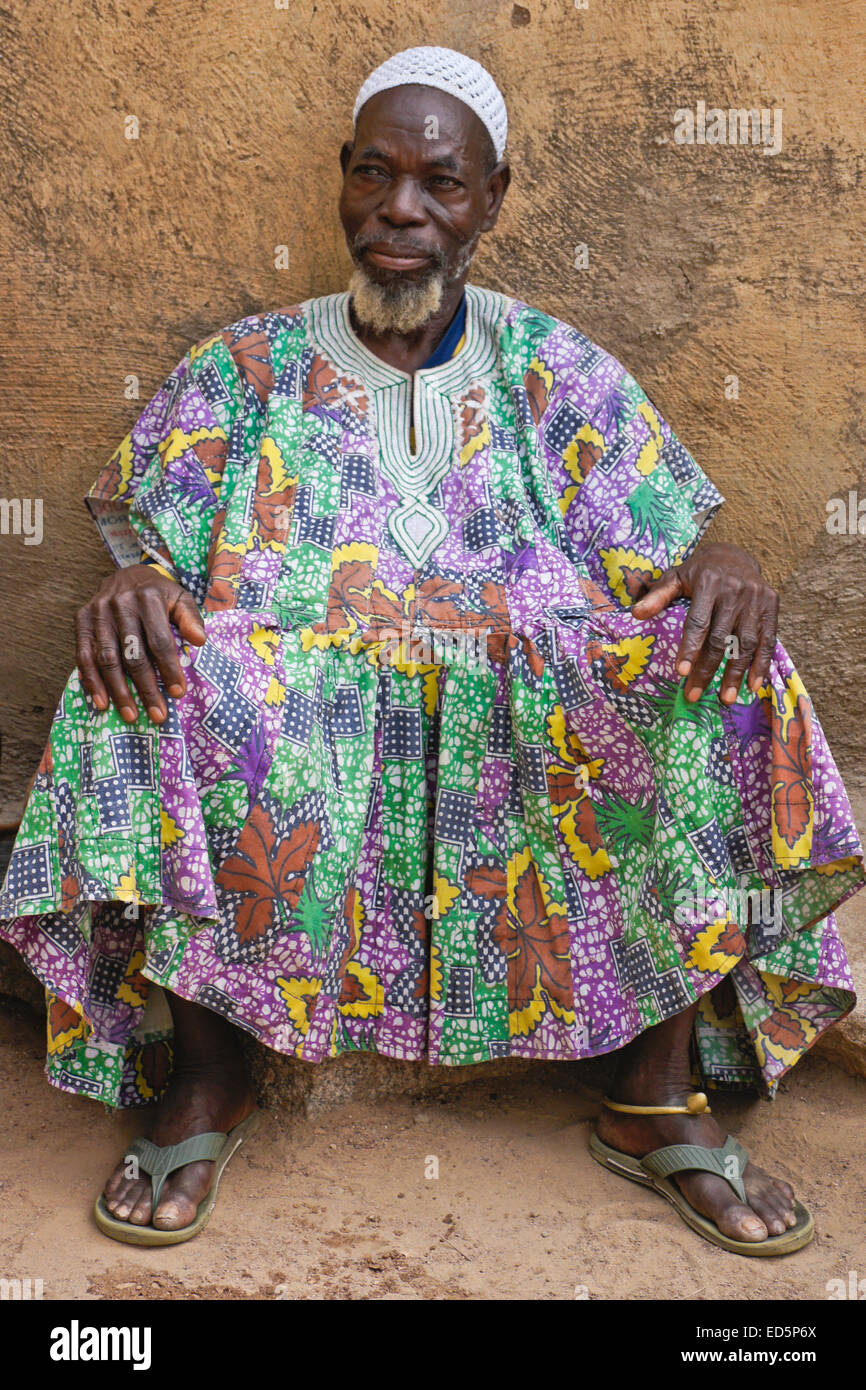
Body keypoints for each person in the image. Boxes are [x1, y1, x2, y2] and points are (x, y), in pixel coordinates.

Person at [1, 45, 863, 1255]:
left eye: (438, 184)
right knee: (146, 674)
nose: (398, 211)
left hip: (524, 703)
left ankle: (650, 1094)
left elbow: (678, 540)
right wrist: (135, 578)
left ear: (494, 199)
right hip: (309, 705)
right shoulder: (246, 369)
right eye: (372, 176)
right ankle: (209, 1072)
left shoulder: (552, 366)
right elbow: (149, 543)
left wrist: (726, 565)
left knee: (722, 665)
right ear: (342, 183)